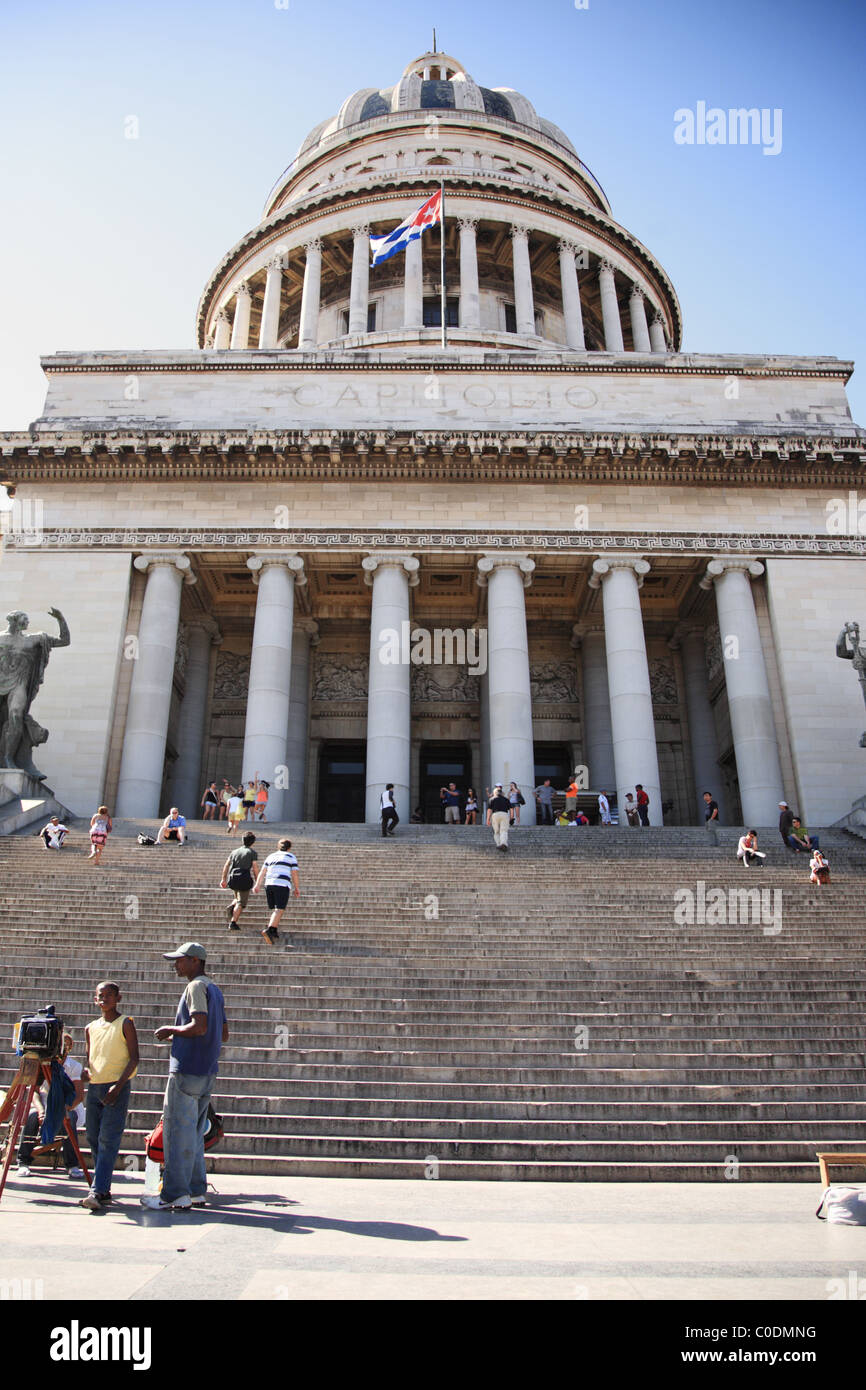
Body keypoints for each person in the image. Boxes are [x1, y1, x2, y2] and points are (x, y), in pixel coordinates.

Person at [143, 943, 227, 1210]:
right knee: (193, 1133)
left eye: (180, 960)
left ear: (195, 961)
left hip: (187, 1068)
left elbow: (198, 1025)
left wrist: (171, 1029)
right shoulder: (215, 989)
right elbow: (223, 1033)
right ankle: (195, 1189)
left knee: (177, 1132)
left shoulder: (194, 987)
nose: (176, 965)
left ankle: (173, 1194)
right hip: (207, 1070)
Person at [80, 982, 139, 1211]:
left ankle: (96, 1190)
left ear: (118, 998)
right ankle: (103, 1188)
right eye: (100, 995)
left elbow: (134, 1058)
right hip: (95, 1087)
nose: (104, 999)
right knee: (94, 1137)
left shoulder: (125, 1023)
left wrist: (118, 1085)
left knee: (108, 1138)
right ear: (95, 999)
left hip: (117, 1087)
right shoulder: (90, 1027)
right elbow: (91, 1060)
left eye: (109, 995)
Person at [16, 1032, 85, 1180]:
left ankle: (72, 1165)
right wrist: (42, 1111)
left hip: (67, 1105)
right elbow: (33, 1092)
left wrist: (60, 1110)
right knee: (31, 1117)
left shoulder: (73, 1066)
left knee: (69, 1117)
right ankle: (23, 1162)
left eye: (67, 1047)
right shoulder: (40, 1064)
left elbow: (79, 1096)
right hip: (43, 1104)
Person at [252, 837, 300, 943]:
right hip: (282, 884)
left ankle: (274, 930)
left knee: (275, 908)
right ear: (289, 848)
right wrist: (297, 888)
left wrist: (257, 885)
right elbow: (294, 873)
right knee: (279, 908)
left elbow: (262, 872)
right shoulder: (291, 857)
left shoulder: (271, 856)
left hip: (269, 884)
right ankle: (269, 929)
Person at [220, 831, 258, 931]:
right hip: (244, 879)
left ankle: (232, 906)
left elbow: (226, 865)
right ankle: (233, 922)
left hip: (233, 878)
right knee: (241, 902)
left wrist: (223, 879)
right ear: (253, 842)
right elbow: (255, 868)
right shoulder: (252, 853)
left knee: (237, 897)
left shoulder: (234, 852)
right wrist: (257, 881)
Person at [486, 783, 512, 852]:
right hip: (504, 814)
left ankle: (498, 844)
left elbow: (489, 810)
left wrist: (488, 819)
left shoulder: (492, 799)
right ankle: (503, 843)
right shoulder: (506, 799)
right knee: (504, 830)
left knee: (496, 831)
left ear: (495, 793)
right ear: (502, 793)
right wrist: (512, 817)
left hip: (495, 815)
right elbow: (511, 809)